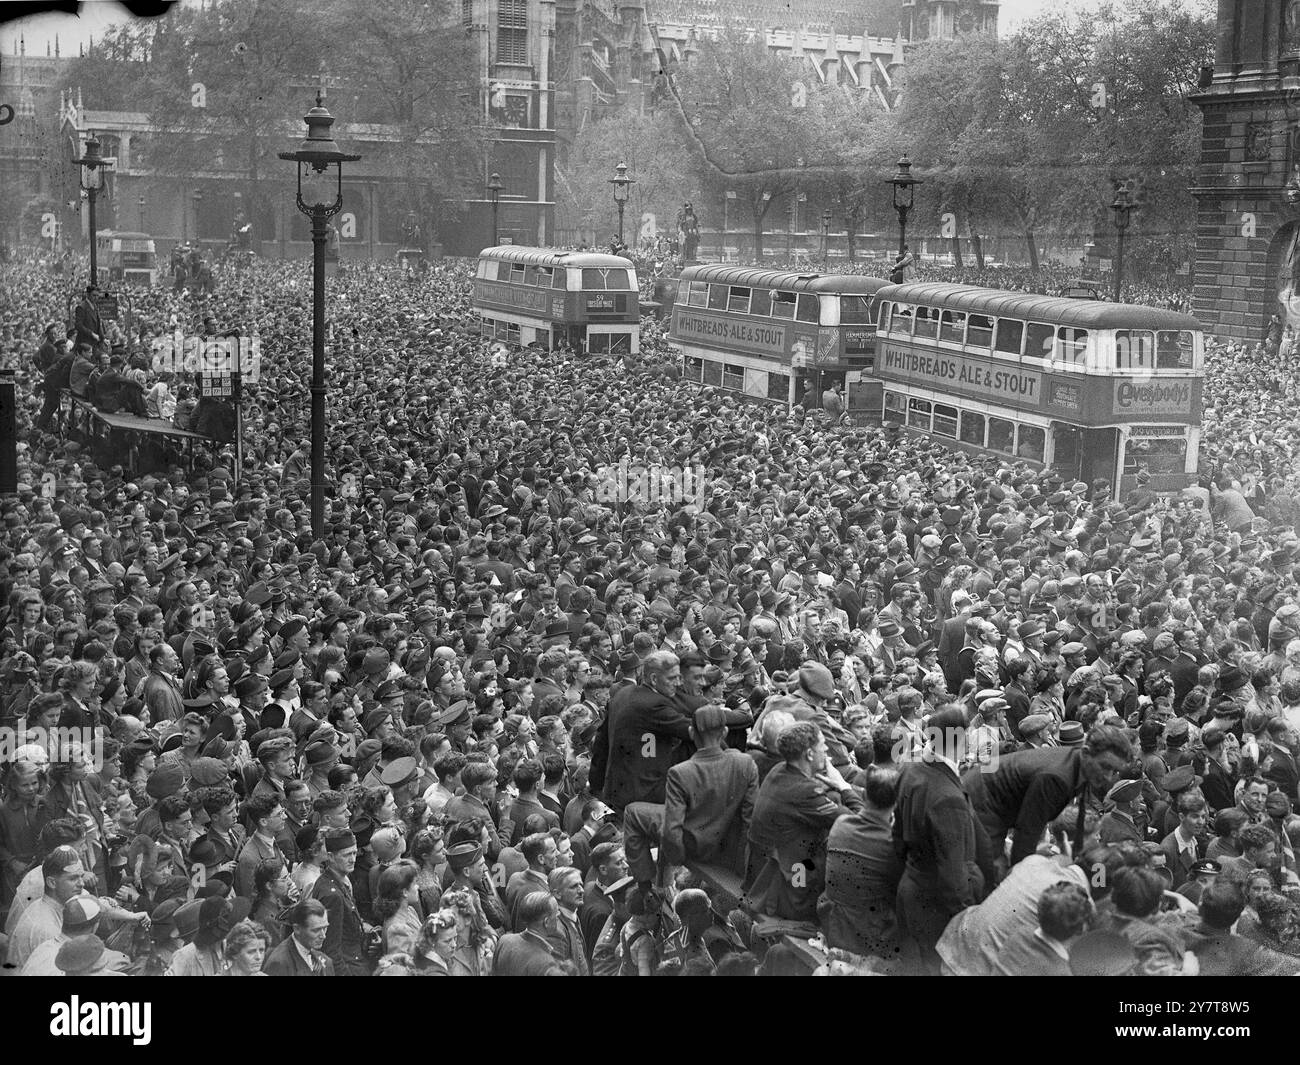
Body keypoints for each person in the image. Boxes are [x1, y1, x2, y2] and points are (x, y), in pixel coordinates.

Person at [962, 724, 1132, 880]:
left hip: (990, 798)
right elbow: (1026, 834)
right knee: (990, 872)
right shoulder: (1057, 778)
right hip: (980, 800)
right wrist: (1020, 880)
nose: (1109, 777)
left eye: (1115, 771)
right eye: (1105, 767)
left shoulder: (1080, 762)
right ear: (1086, 752)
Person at [622, 704, 758, 890]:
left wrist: (677, 857)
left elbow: (672, 829)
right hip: (727, 849)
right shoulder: (745, 763)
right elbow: (750, 820)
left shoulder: (680, 773)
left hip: (694, 847)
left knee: (632, 812)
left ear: (692, 733)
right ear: (725, 732)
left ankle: (645, 885)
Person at [892, 707, 984, 975]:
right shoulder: (948, 797)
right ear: (961, 738)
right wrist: (966, 924)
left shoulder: (909, 770)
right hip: (937, 910)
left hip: (911, 890)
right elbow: (952, 875)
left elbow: (897, 837)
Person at [744, 720, 864, 922]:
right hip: (789, 894)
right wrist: (844, 786)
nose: (827, 749)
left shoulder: (780, 770)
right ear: (809, 754)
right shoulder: (805, 792)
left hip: (766, 876)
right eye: (822, 745)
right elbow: (860, 823)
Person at [817, 766, 904, 965]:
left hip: (833, 925)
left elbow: (860, 815)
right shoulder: (891, 845)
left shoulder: (840, 824)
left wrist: (846, 789)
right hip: (869, 938)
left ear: (864, 794)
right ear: (897, 803)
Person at [262, 899, 335, 976]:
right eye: (316, 930)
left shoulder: (325, 961)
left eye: (325, 928)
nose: (323, 936)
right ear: (297, 929)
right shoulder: (280, 963)